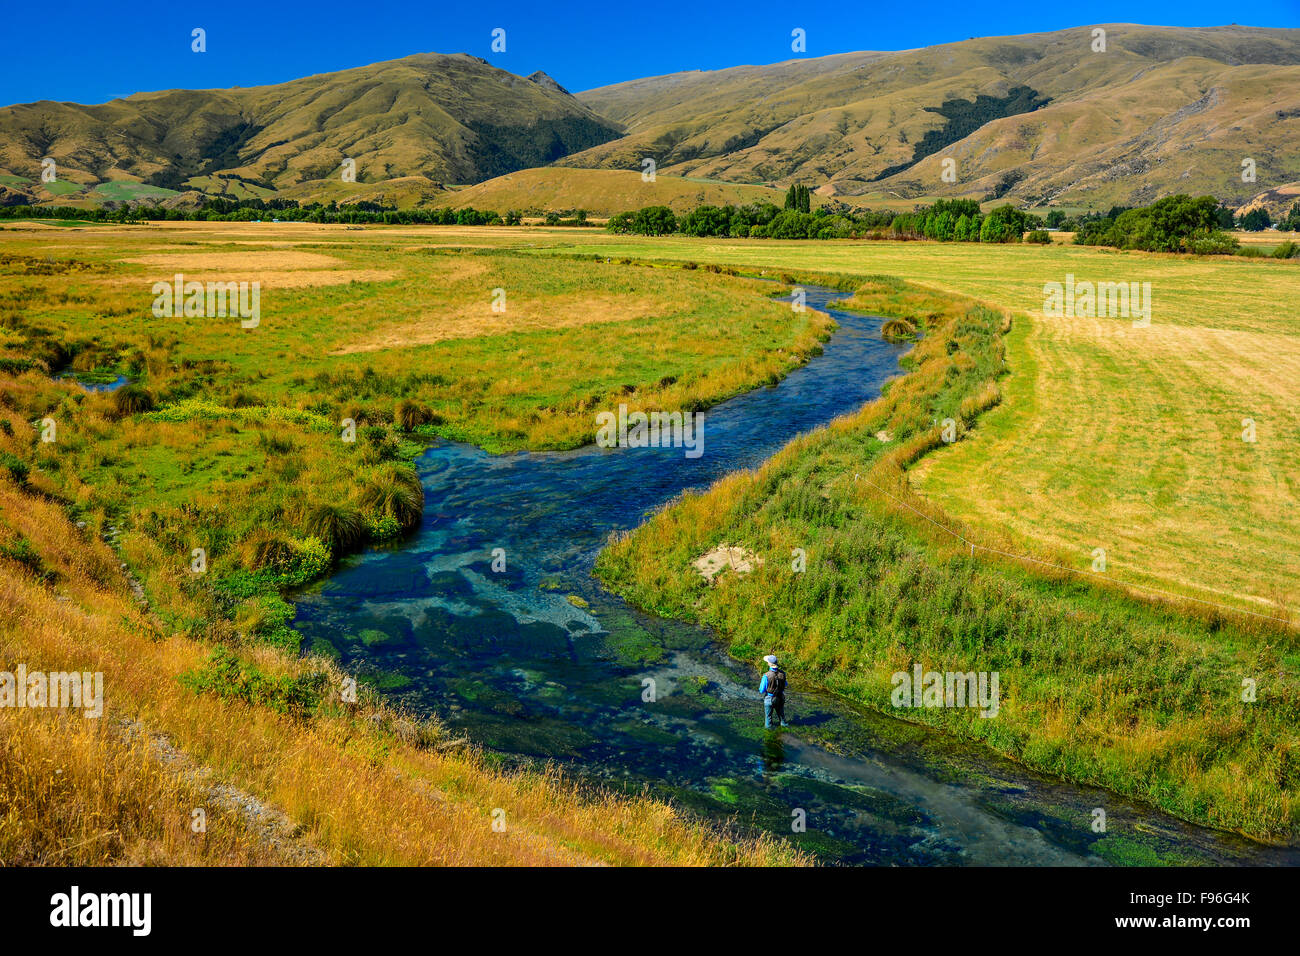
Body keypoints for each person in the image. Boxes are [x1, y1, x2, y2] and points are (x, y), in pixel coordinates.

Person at [759, 654, 788, 728]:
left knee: (768, 719)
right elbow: (786, 684)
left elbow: (762, 690)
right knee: (782, 717)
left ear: (769, 664)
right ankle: (785, 729)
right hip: (780, 698)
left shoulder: (766, 676)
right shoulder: (783, 673)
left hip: (769, 699)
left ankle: (769, 734)